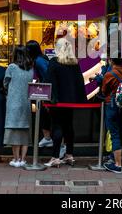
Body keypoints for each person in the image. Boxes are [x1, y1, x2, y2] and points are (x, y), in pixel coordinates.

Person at [44, 38, 87, 168]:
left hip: (57, 101)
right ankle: (69, 155)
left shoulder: (54, 62)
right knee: (69, 126)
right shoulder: (74, 63)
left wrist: (50, 98)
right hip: (71, 101)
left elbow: (49, 81)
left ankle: (55, 157)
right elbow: (80, 82)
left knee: (57, 126)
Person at [102, 53, 122, 173]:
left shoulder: (109, 74)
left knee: (115, 134)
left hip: (113, 105)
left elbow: (104, 91)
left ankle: (117, 164)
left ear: (111, 61)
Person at [4, 46, 33, 168]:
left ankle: (16, 159)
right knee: (25, 131)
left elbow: (5, 83)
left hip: (13, 103)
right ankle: (23, 159)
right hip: (26, 103)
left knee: (14, 131)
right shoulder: (30, 68)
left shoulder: (11, 67)